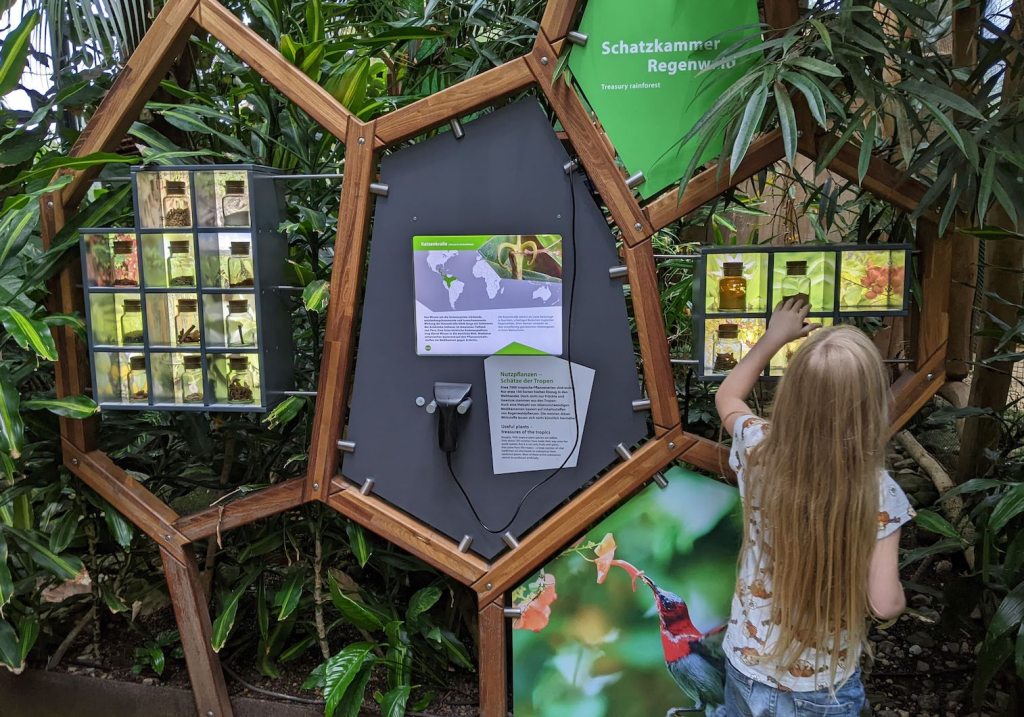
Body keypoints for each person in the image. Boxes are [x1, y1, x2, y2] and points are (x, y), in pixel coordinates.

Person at [714, 297, 914, 717]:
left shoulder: (757, 448)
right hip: (822, 691)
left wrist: (774, 337)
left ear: (793, 395)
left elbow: (729, 396)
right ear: (871, 408)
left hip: (745, 667)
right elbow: (884, 603)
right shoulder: (879, 493)